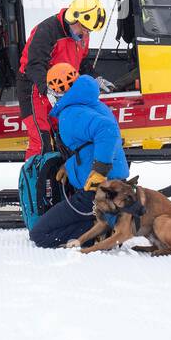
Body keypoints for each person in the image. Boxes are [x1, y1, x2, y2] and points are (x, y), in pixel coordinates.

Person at [28, 68, 130, 249]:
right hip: (115, 186)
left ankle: (103, 229)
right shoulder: (89, 102)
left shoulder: (71, 113)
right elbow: (87, 144)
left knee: (40, 234)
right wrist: (70, 166)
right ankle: (109, 221)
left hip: (98, 192)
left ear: (55, 92)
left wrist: (99, 172)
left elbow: (107, 131)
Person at [15, 0, 113, 158]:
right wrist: (47, 89)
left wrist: (95, 77)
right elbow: (33, 64)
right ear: (73, 17)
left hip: (62, 90)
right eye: (84, 29)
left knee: (65, 137)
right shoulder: (47, 31)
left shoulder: (82, 36)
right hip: (33, 88)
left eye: (89, 31)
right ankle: (37, 180)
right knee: (42, 141)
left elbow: (81, 63)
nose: (85, 34)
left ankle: (63, 180)